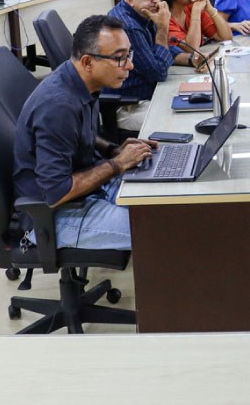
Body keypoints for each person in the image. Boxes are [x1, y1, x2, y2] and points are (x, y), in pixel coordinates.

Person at [12, 14, 153, 250]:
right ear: (88, 62)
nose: (129, 65)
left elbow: (76, 133)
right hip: (54, 215)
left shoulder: (81, 81)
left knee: (165, 205)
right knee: (161, 227)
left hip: (86, 188)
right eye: (120, 58)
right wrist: (118, 164)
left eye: (129, 55)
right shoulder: (59, 106)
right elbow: (56, 191)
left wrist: (112, 149)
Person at [106, 0, 185, 130]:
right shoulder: (129, 26)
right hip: (127, 105)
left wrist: (192, 59)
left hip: (148, 94)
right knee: (181, 123)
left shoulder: (141, 13)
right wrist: (163, 27)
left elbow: (159, 47)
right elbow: (158, 72)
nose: (156, 1)